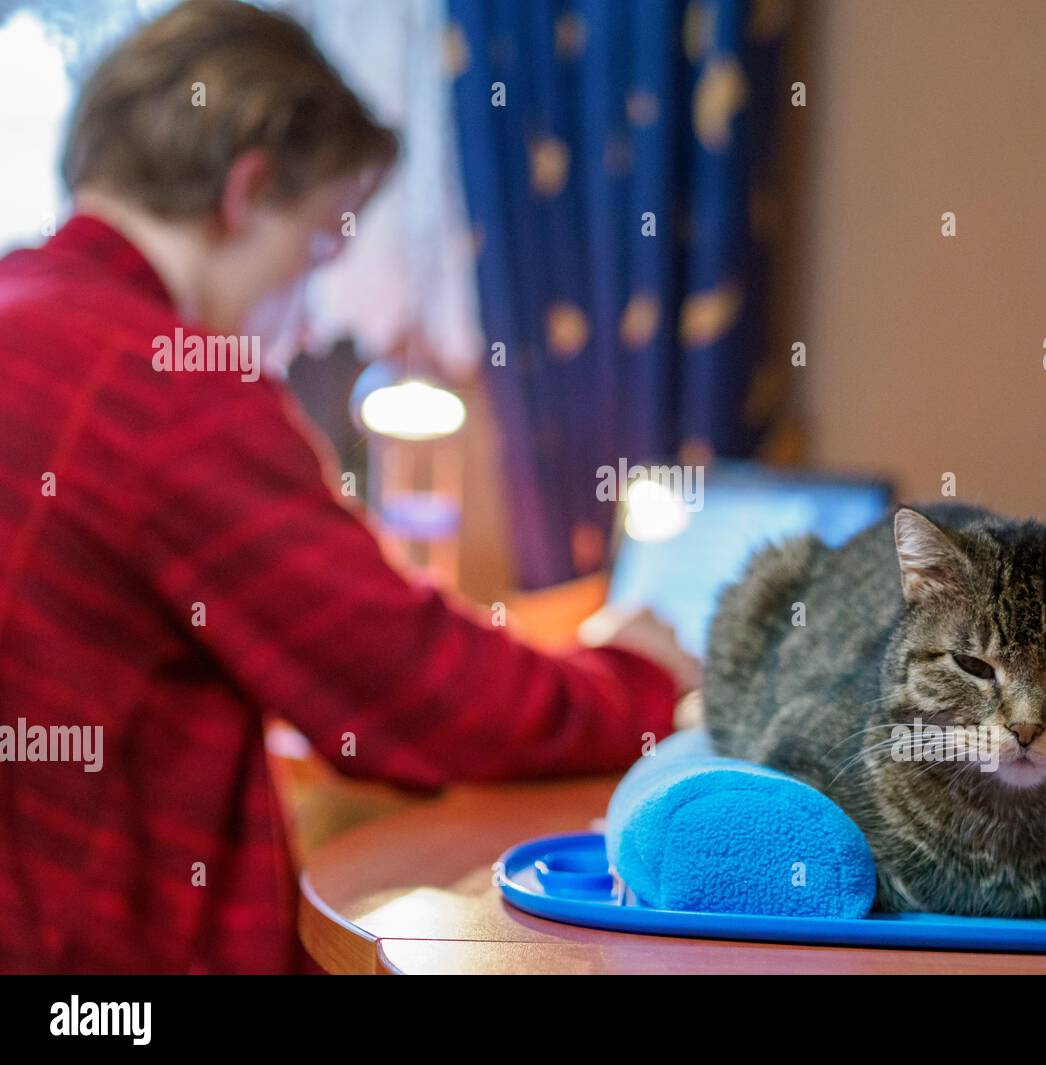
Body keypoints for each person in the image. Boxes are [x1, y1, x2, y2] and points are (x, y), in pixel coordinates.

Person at [0, 0, 696, 974]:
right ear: (247, 190)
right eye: (324, 239)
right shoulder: (160, 381)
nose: (314, 292)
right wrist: (645, 682)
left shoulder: (26, 313)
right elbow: (411, 694)